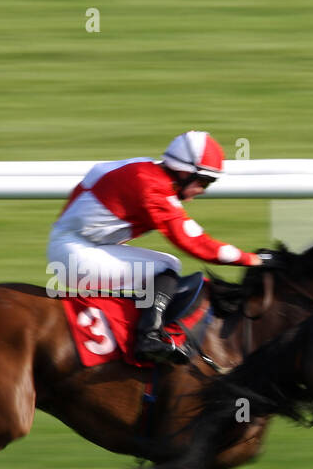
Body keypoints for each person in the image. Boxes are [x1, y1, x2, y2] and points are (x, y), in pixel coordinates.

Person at [47, 131, 280, 365]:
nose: (204, 190)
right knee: (167, 266)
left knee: (163, 266)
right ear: (184, 172)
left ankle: (141, 324)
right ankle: (148, 337)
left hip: (77, 244)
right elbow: (195, 243)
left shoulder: (145, 170)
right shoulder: (153, 187)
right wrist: (252, 260)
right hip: (76, 253)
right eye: (204, 182)